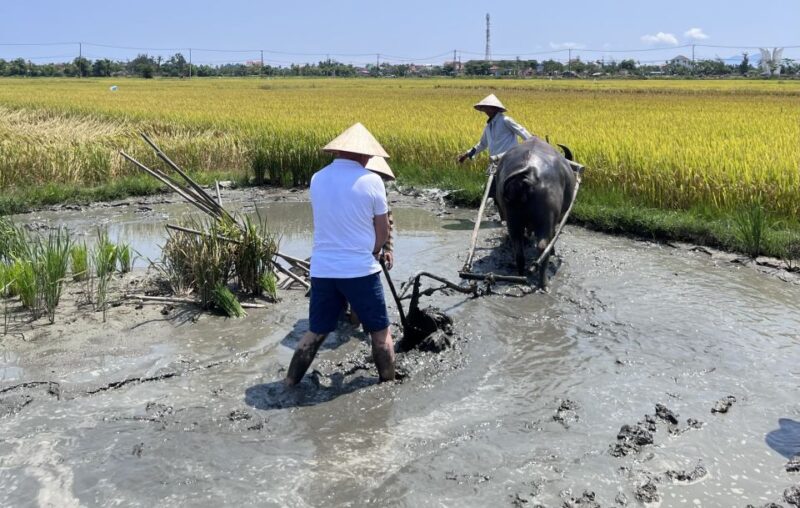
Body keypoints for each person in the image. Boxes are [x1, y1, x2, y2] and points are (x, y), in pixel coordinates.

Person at [284, 123, 395, 386]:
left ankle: (289, 383)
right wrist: (376, 250)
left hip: (322, 270)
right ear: (364, 155)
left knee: (316, 331)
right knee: (380, 334)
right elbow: (383, 229)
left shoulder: (317, 178)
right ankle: (389, 385)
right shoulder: (372, 181)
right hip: (359, 270)